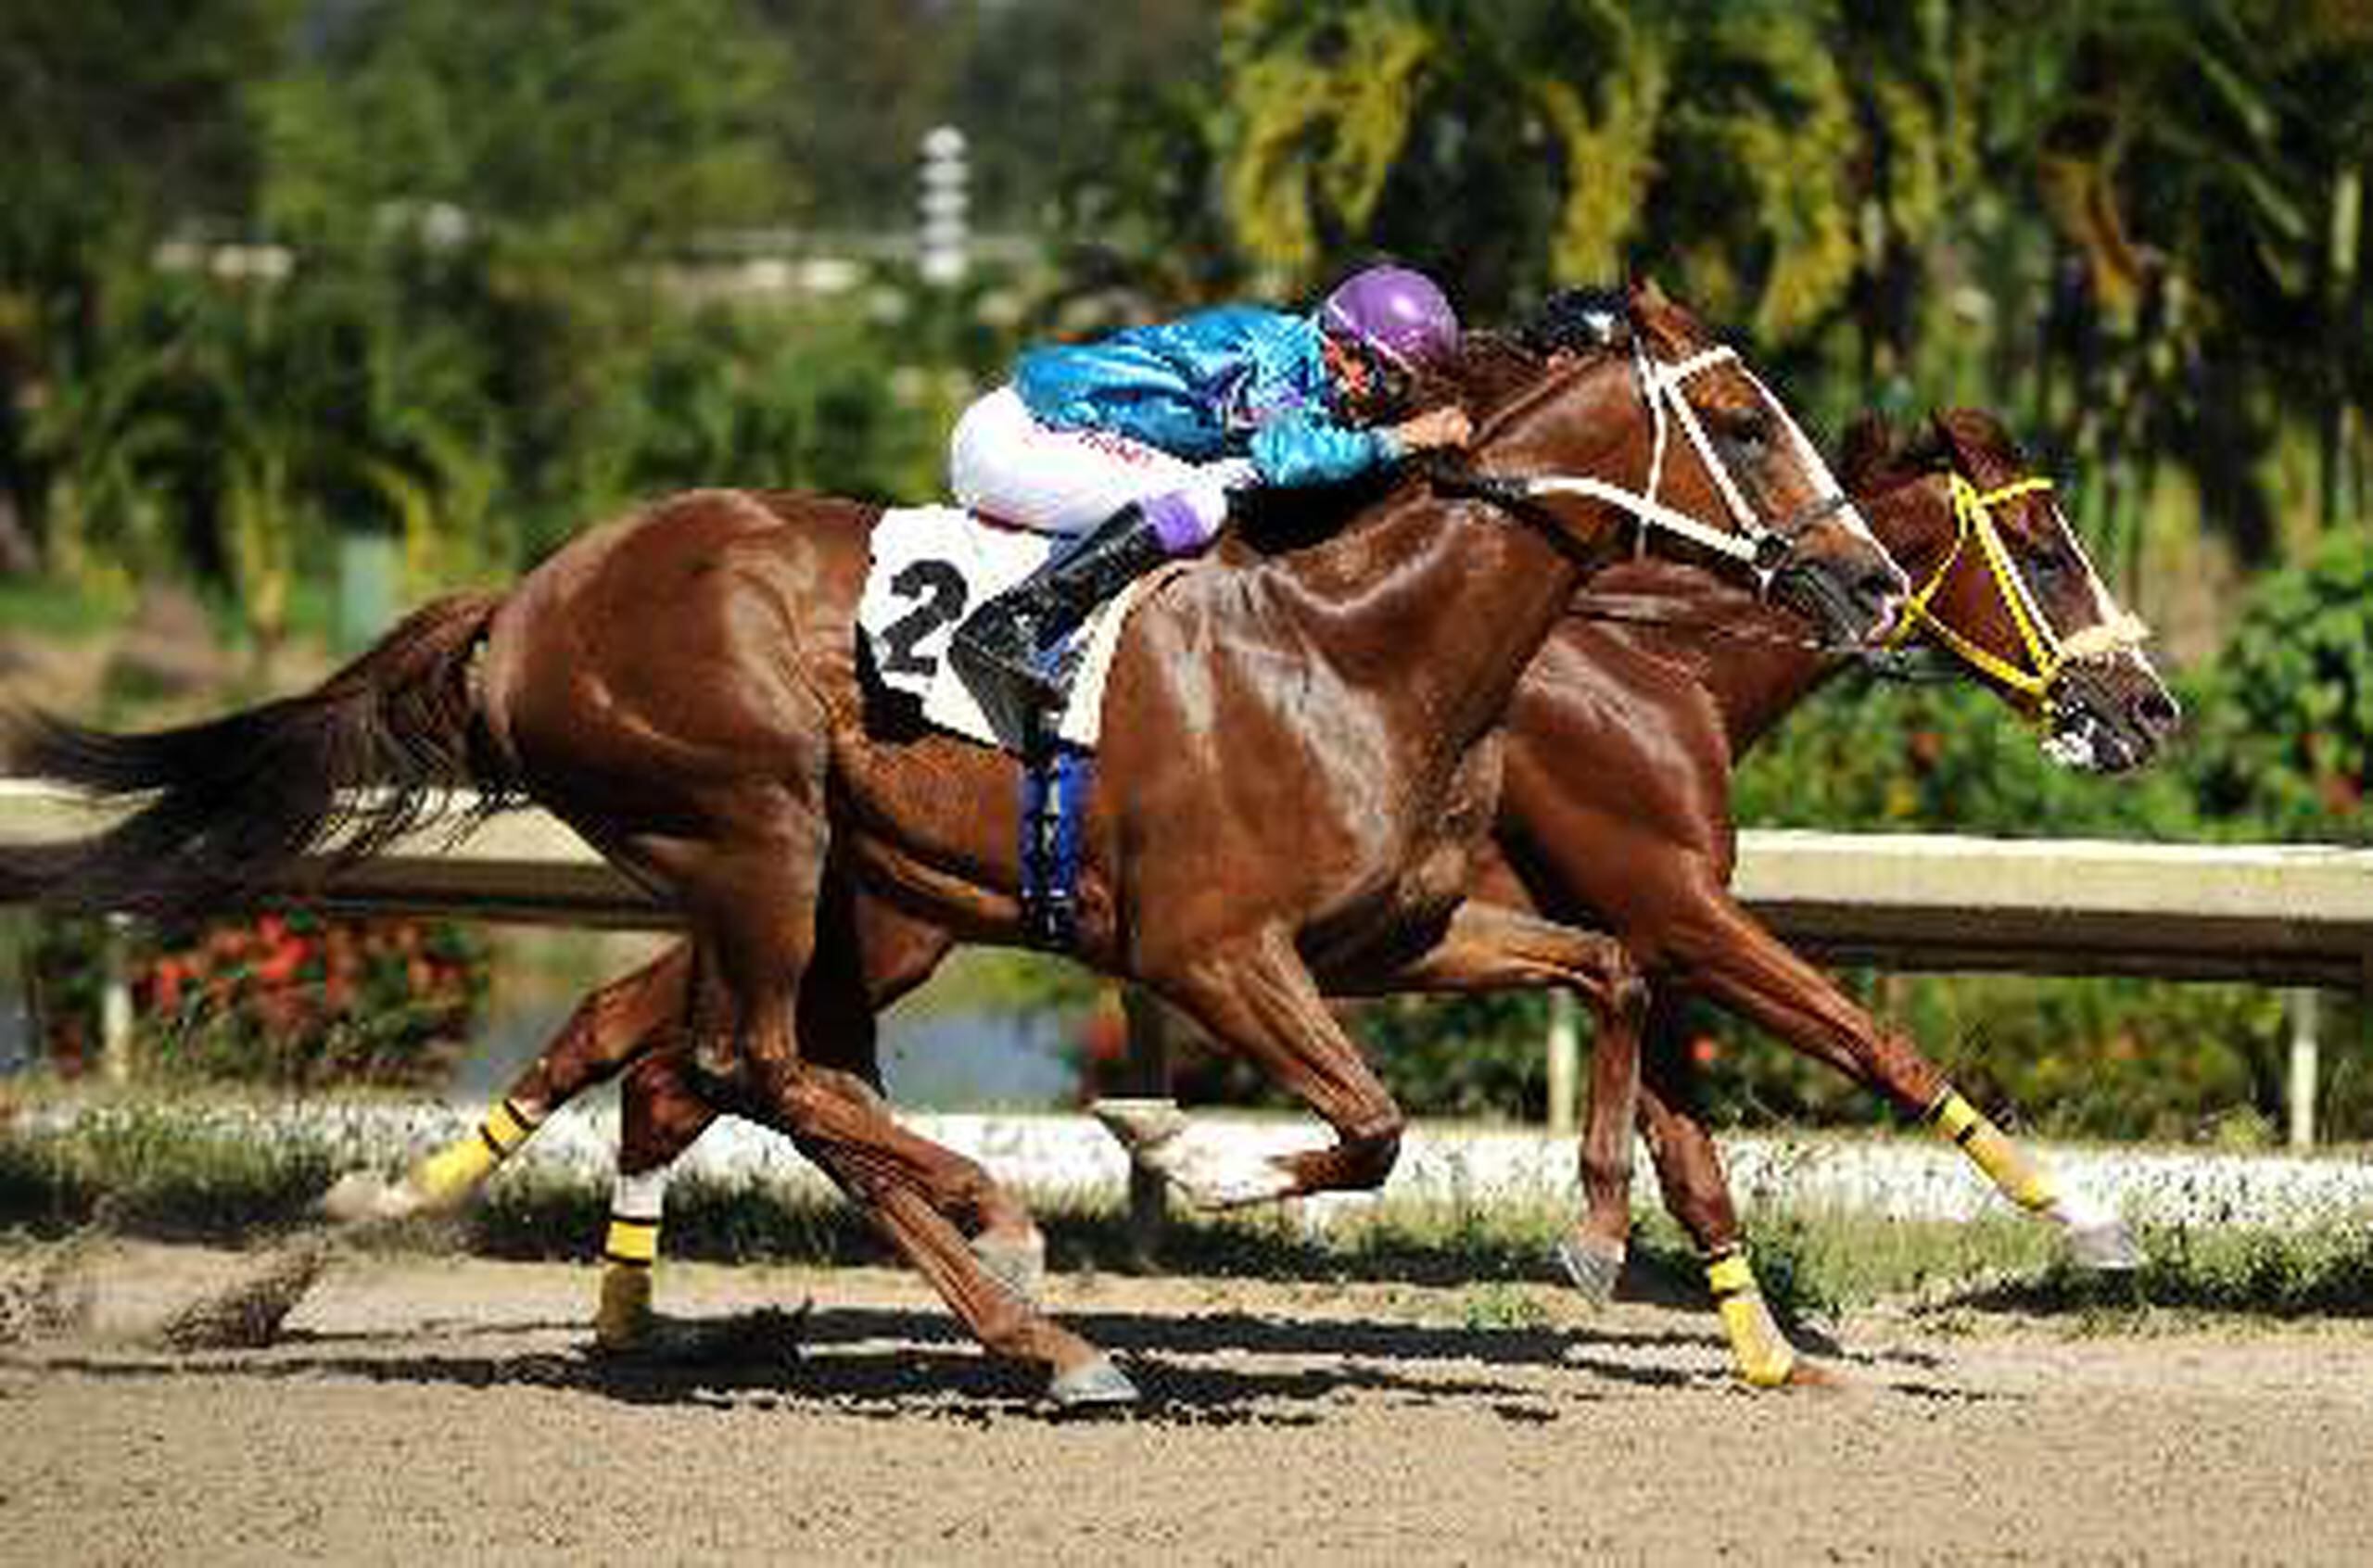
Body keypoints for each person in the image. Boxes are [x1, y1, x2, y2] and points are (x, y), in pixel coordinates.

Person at [945, 263, 1474, 738]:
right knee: (1203, 501)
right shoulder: (1271, 356)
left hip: (1054, 438)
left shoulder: (1308, 369)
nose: (1386, 402)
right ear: (1348, 349)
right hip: (1018, 438)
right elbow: (1285, 460)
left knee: (1226, 485)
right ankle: (1009, 625)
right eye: (1390, 383)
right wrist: (1402, 440)